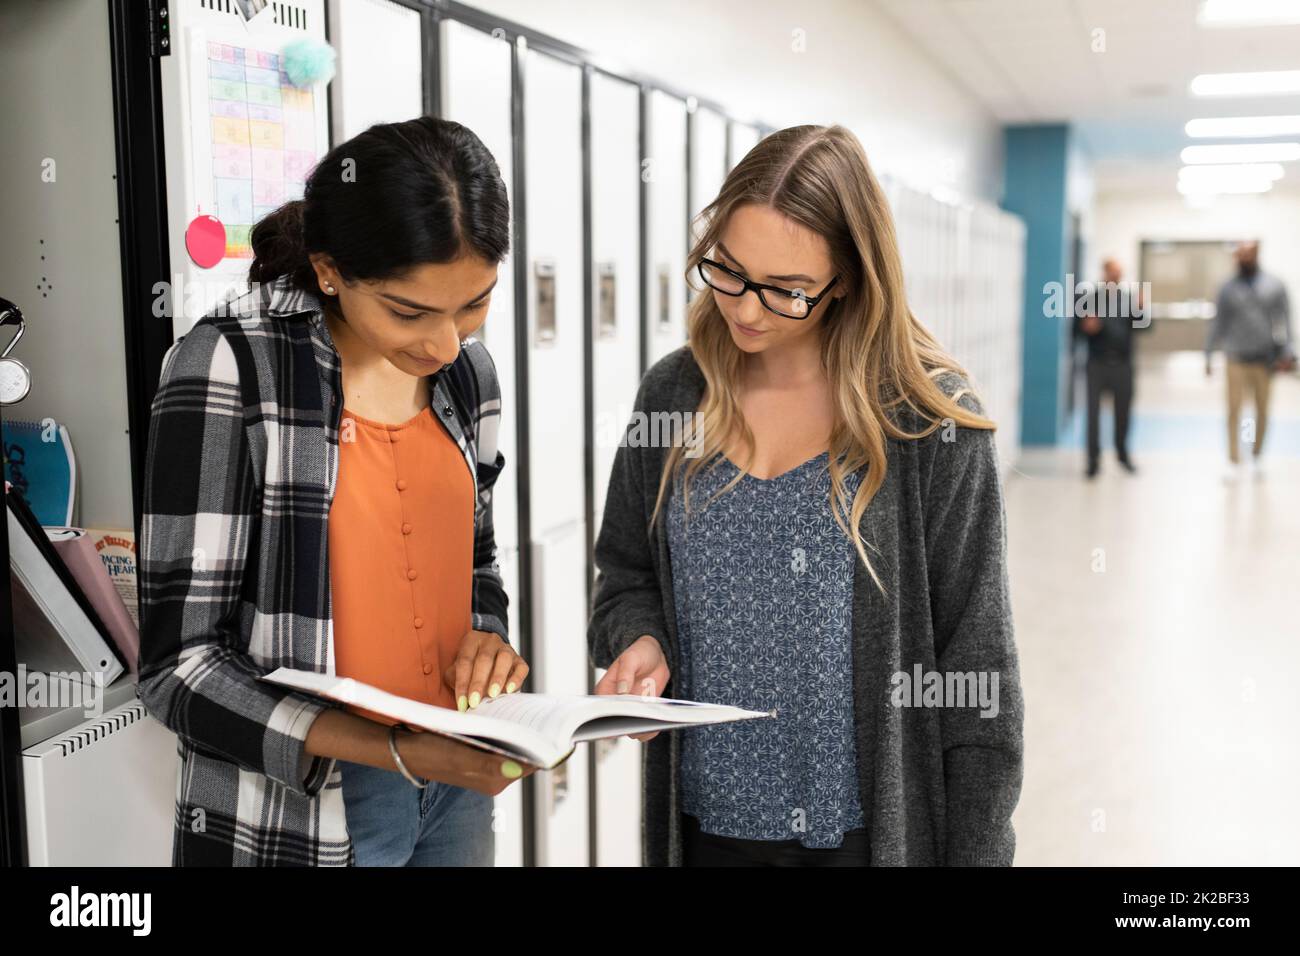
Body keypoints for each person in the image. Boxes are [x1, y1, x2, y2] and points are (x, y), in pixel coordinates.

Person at [587, 124, 1024, 866]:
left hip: (865, 838)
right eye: (727, 270)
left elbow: (976, 673)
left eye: (786, 290)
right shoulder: (674, 392)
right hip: (705, 830)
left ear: (849, 277)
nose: (748, 311)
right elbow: (625, 574)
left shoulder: (927, 424)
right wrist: (641, 639)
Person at [138, 117, 534, 867]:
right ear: (328, 270)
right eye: (408, 311)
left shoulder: (465, 375)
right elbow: (178, 670)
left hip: (457, 774)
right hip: (305, 801)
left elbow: (476, 561)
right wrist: (388, 749)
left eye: (474, 303)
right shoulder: (229, 367)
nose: (445, 342)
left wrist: (487, 638)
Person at [1207, 240, 1295, 479]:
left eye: (1248, 254)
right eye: (1240, 255)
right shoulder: (1227, 288)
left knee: (1261, 410)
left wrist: (1288, 351)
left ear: (1256, 255)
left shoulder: (1274, 285)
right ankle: (1235, 459)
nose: (1244, 258)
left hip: (1264, 359)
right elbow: (1218, 322)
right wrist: (1208, 353)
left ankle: (1256, 455)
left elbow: (1285, 320)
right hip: (1235, 357)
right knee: (1235, 409)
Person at [1073, 257, 1148, 478]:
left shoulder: (1128, 299)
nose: (1116, 277)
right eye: (1113, 272)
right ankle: (1093, 461)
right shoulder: (1089, 299)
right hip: (1097, 363)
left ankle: (1122, 454)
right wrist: (1086, 327)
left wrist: (1142, 310)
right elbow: (1076, 331)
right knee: (1093, 415)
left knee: (1123, 412)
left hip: (1123, 364)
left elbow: (1144, 327)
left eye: (1119, 273)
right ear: (1104, 273)